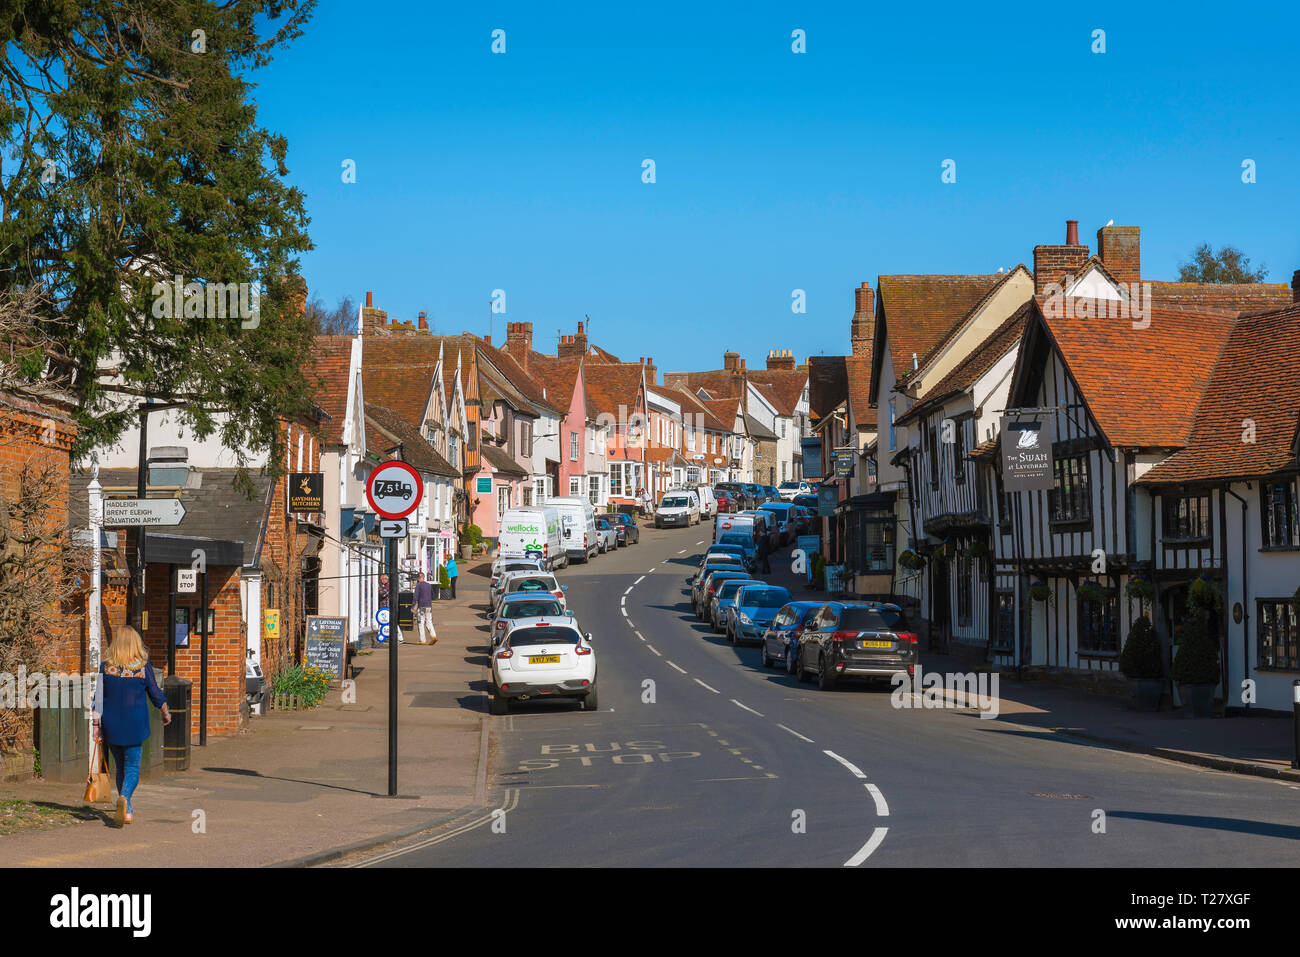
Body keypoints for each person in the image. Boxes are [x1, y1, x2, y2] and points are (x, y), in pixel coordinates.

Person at [93, 625, 171, 827]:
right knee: (133, 767)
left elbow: (98, 699)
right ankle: (125, 798)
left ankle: (127, 811)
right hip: (135, 724)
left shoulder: (105, 667)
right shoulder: (143, 667)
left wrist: (95, 725)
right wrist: (165, 711)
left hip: (112, 725)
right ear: (136, 643)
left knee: (120, 767)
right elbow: (155, 693)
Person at [414, 571, 437, 645]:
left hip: (421, 606)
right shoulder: (429, 585)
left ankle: (422, 640)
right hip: (429, 606)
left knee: (420, 623)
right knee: (429, 622)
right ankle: (434, 636)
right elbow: (433, 596)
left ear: (419, 578)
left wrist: (412, 606)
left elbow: (415, 597)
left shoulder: (418, 585)